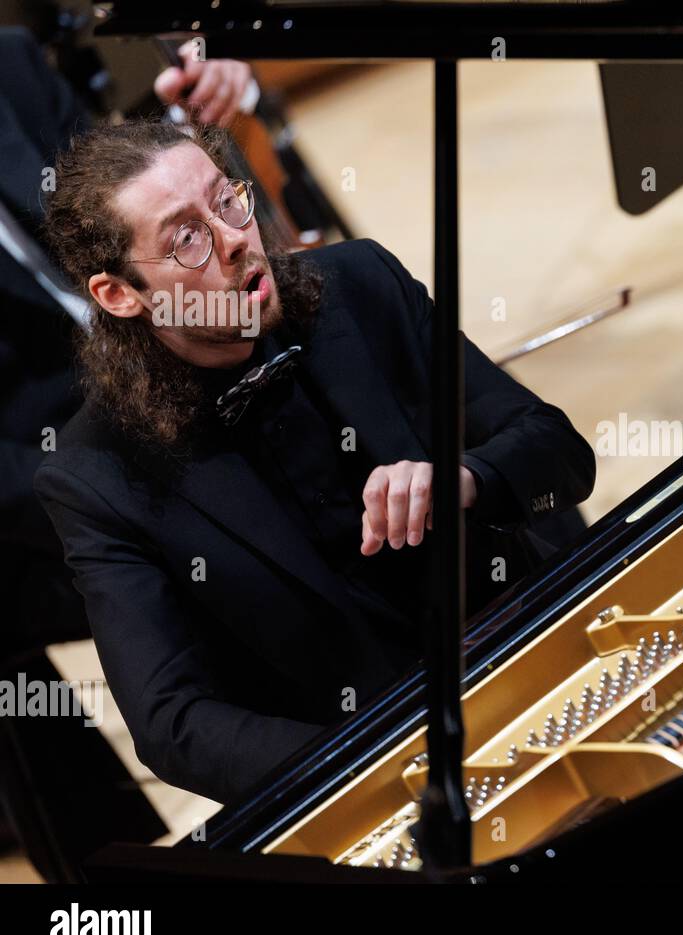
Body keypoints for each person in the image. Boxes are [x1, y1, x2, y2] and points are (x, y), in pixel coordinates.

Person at [34, 118, 596, 804]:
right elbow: (173, 723)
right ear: (119, 294)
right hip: (372, 773)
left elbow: (558, 450)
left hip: (540, 659)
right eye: (186, 237)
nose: (235, 238)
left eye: (226, 200)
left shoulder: (360, 285)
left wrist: (467, 478)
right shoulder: (98, 473)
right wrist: (380, 763)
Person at [0, 25, 265, 877]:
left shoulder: (8, 61)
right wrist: (107, 482)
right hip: (36, 480)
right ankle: (106, 871)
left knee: (392, 393)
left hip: (156, 361)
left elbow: (121, 194)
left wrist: (199, 127)